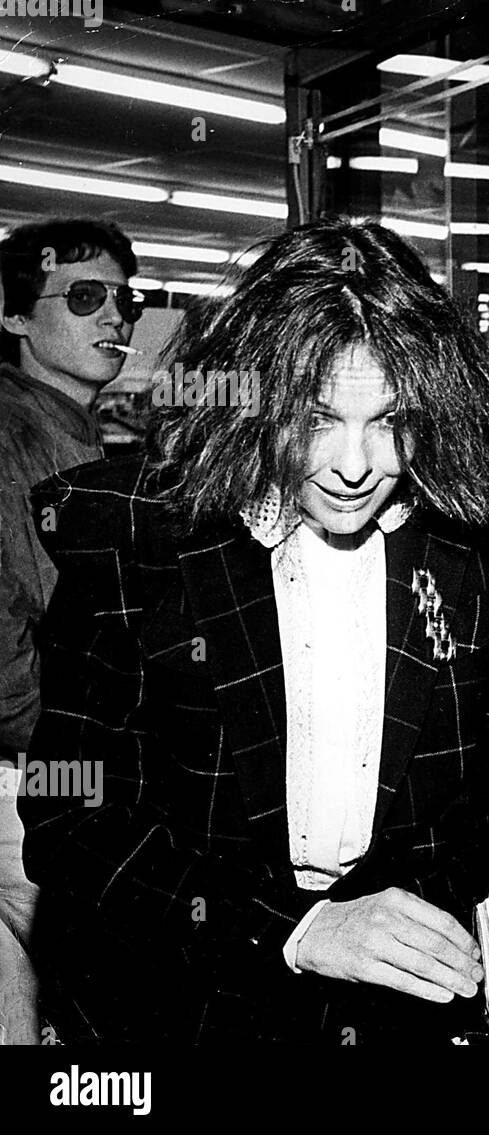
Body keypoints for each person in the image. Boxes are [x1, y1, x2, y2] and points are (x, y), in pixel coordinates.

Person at [20, 217, 489, 1044]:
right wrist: (299, 928)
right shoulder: (133, 535)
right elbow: (71, 820)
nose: (355, 464)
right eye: (318, 418)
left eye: (390, 420)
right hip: (201, 991)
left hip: (421, 1000)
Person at [0, 218, 139, 1044]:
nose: (115, 318)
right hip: (32, 782)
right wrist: (97, 766)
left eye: (125, 299)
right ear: (16, 315)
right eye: (85, 297)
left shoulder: (75, 434)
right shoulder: (14, 441)